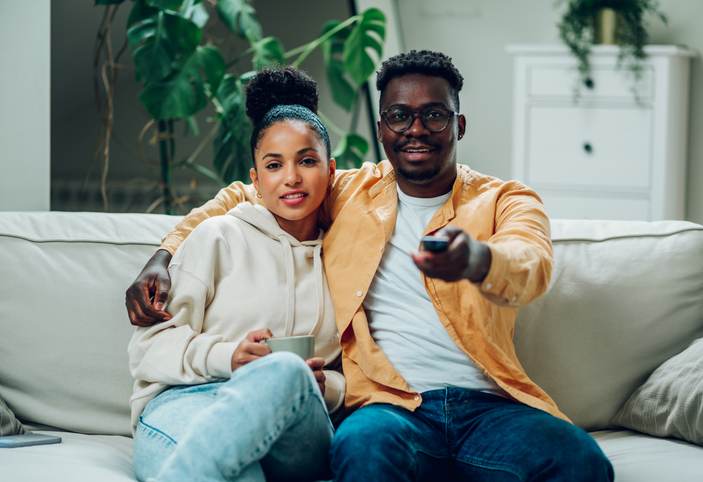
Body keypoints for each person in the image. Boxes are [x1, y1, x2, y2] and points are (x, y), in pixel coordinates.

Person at [127, 50, 614, 481]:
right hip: (391, 405)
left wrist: (479, 257)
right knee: (362, 451)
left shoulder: (506, 199)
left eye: (435, 115)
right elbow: (254, 190)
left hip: (490, 408)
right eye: (399, 116)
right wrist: (164, 252)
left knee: (582, 463)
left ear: (459, 124)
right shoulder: (355, 192)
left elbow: (531, 265)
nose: (416, 129)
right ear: (381, 129)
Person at [128, 66, 343, 482]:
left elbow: (362, 369)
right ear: (256, 181)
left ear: (331, 171)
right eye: (274, 165)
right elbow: (146, 350)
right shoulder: (218, 237)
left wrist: (325, 386)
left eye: (307, 161)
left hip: (295, 420)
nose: (292, 177)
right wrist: (228, 357)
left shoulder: (348, 255)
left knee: (285, 370)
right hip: (187, 402)